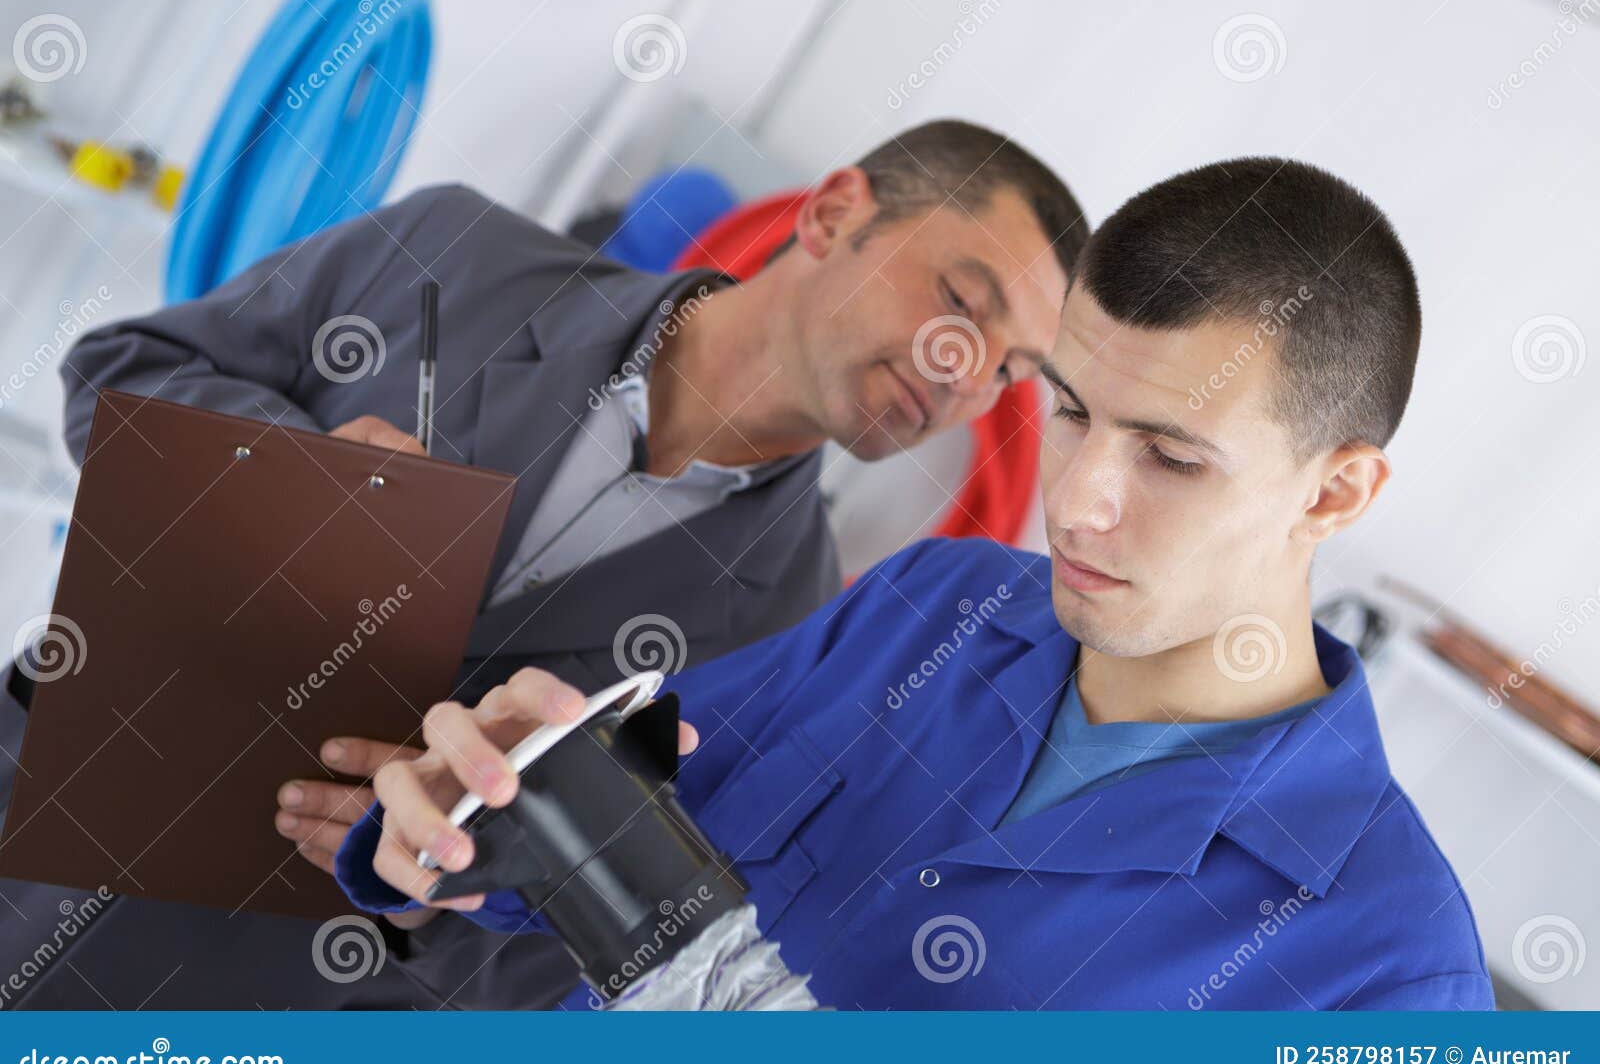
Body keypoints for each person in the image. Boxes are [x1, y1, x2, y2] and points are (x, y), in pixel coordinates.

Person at [337, 157, 1495, 1010]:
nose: (1079, 498)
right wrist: (476, 807)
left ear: (1332, 495)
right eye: (1073, 412)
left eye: (1171, 456)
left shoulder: (1382, 966)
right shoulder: (930, 610)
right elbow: (606, 815)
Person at [0, 121, 1087, 1009]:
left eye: (1010, 370)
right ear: (833, 211)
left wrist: (430, 896)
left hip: (190, 990)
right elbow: (120, 373)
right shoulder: (456, 257)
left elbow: (564, 954)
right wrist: (284, 468)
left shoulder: (789, 637)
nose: (965, 374)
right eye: (961, 299)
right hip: (45, 773)